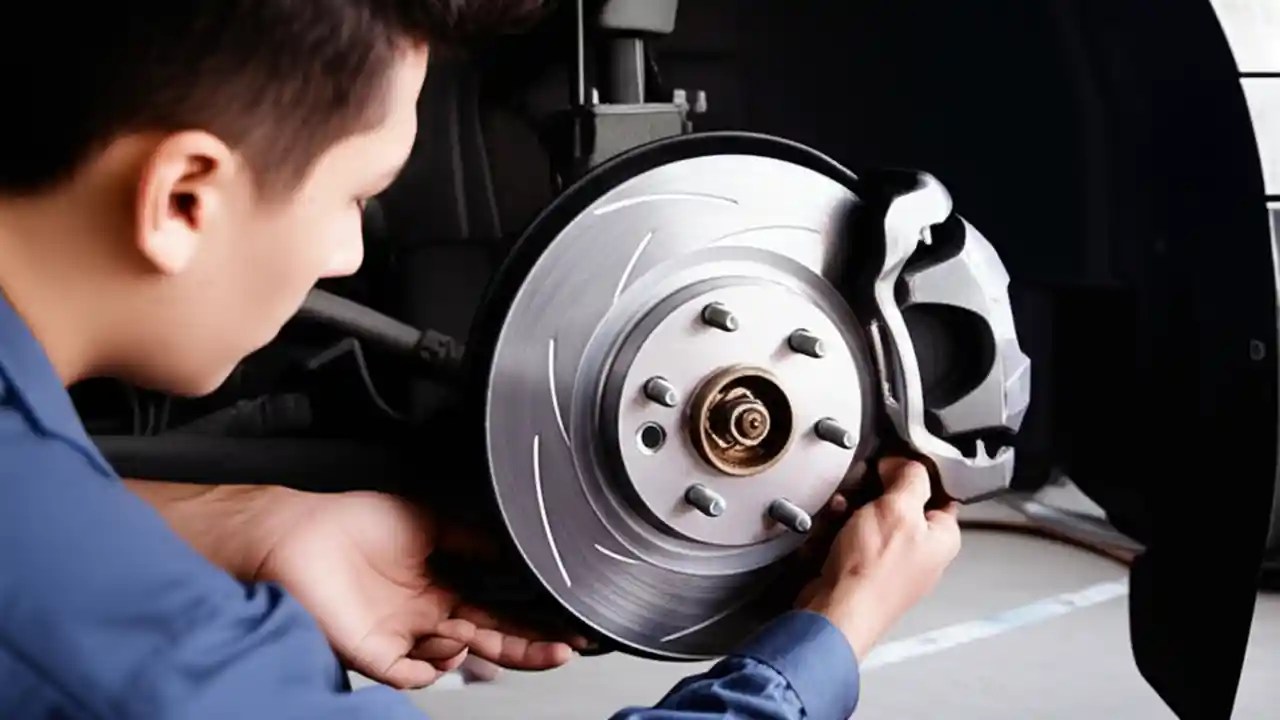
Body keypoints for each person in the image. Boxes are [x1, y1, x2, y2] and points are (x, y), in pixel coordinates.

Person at [0, 3, 962, 718]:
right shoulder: (153, 656)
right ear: (183, 199)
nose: (351, 257)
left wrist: (228, 518)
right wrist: (831, 634)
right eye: (358, 197)